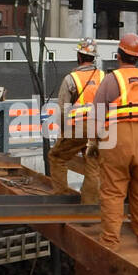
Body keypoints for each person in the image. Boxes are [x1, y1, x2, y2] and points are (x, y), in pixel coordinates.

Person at [92, 32, 138, 251]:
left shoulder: (110, 80)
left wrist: (97, 143)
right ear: (137, 57)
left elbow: (97, 115)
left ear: (118, 55)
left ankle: (111, 241)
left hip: (115, 139)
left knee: (113, 192)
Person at [49, 38, 104, 204]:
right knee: (93, 166)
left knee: (57, 157)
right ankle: (89, 206)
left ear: (79, 56)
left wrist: (63, 134)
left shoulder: (71, 79)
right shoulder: (103, 76)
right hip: (98, 129)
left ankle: (60, 198)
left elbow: (63, 110)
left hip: (78, 127)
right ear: (93, 58)